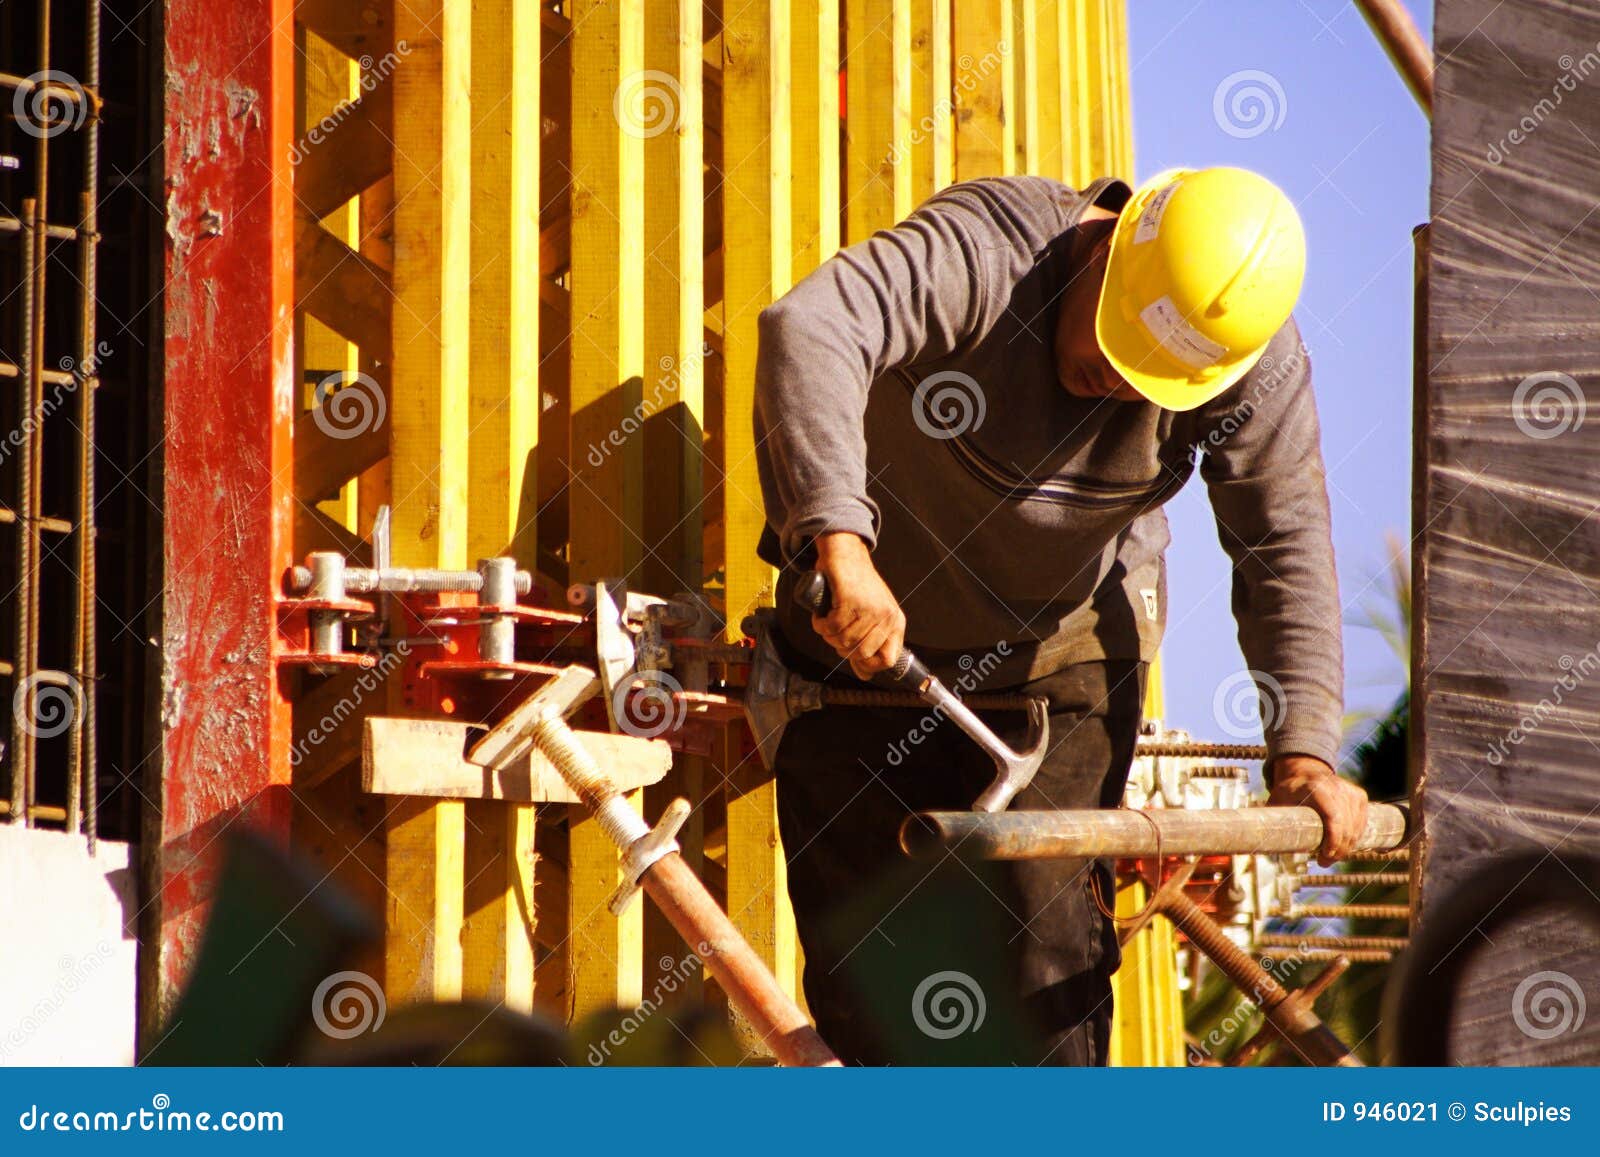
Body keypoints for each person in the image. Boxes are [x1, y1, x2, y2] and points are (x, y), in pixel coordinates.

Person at [752, 167, 1371, 1065]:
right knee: (873, 987)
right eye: (1114, 345)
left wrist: (1305, 749)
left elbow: (1282, 543)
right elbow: (809, 325)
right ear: (1110, 245)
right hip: (857, 661)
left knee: (1046, 974)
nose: (1118, 383)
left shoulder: (1251, 362)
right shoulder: (989, 251)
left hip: (1063, 669)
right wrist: (839, 542)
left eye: (1149, 377)